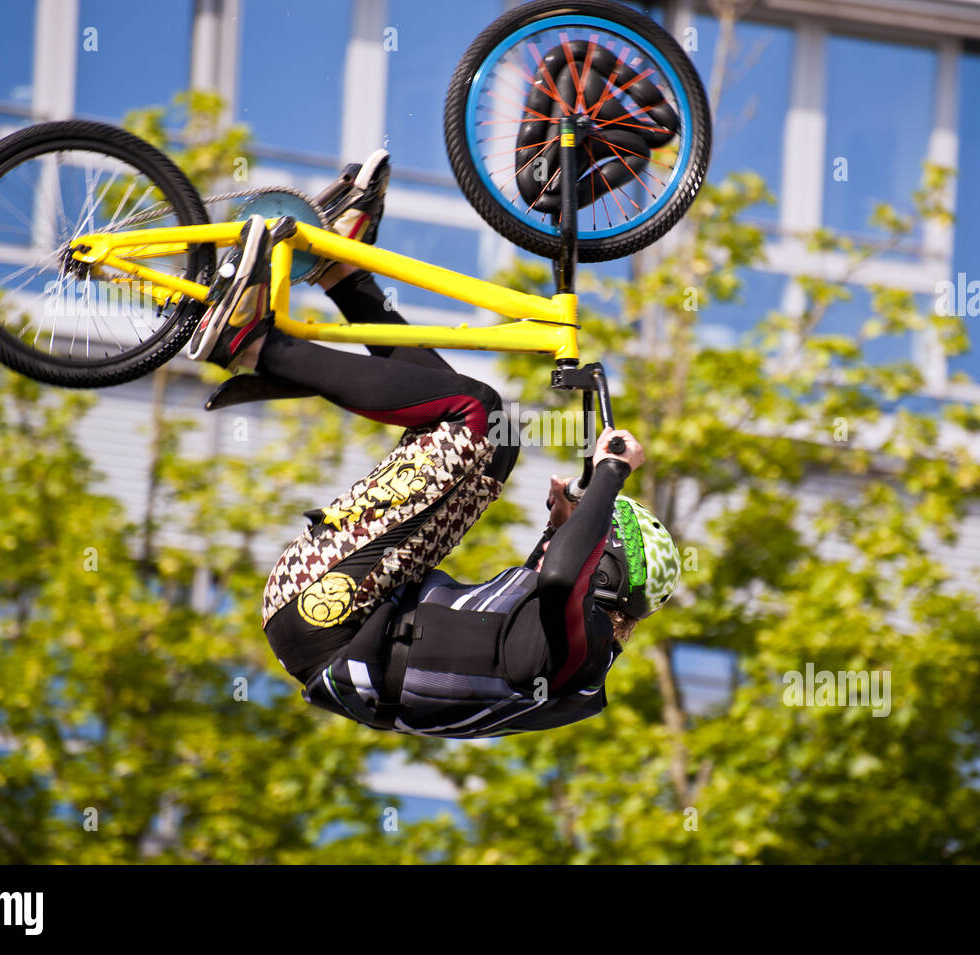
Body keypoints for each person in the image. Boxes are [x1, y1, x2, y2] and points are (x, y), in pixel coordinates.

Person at [188, 151, 681, 737]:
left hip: (326, 611)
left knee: (473, 414)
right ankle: (341, 276)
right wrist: (561, 522)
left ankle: (249, 345)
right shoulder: (563, 656)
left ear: (604, 580)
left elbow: (558, 580)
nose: (563, 548)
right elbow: (525, 602)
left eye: (590, 549)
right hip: (354, 609)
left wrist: (611, 476)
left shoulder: (580, 649)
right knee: (495, 439)